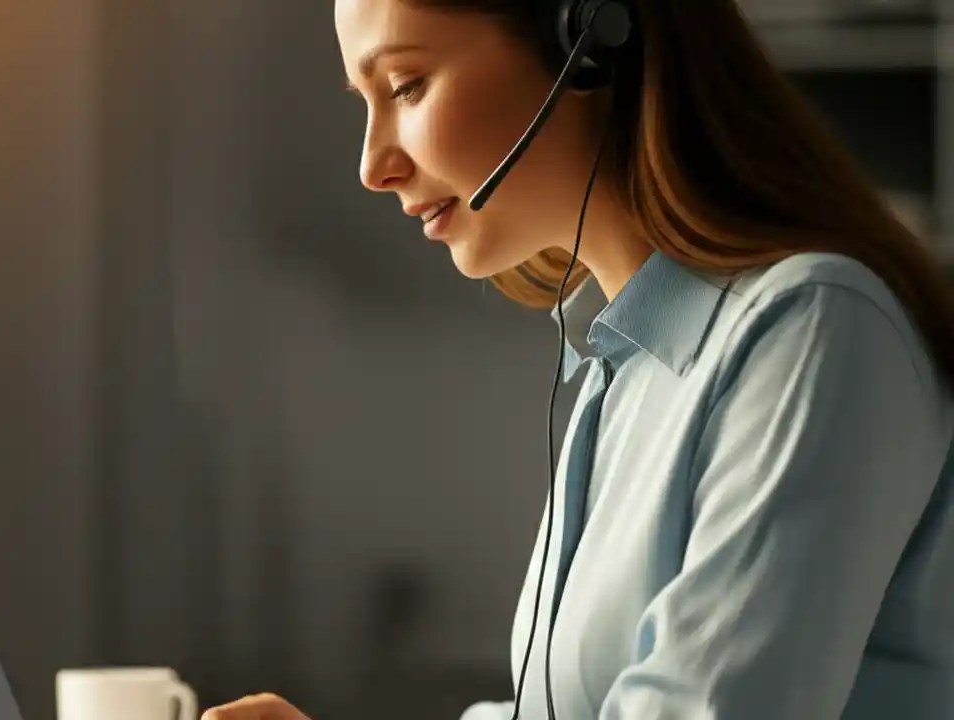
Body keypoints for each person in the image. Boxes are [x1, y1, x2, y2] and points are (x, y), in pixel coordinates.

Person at [203, 0, 954, 718]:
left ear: (587, 39)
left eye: (406, 86)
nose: (373, 165)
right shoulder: (620, 368)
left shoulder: (811, 325)